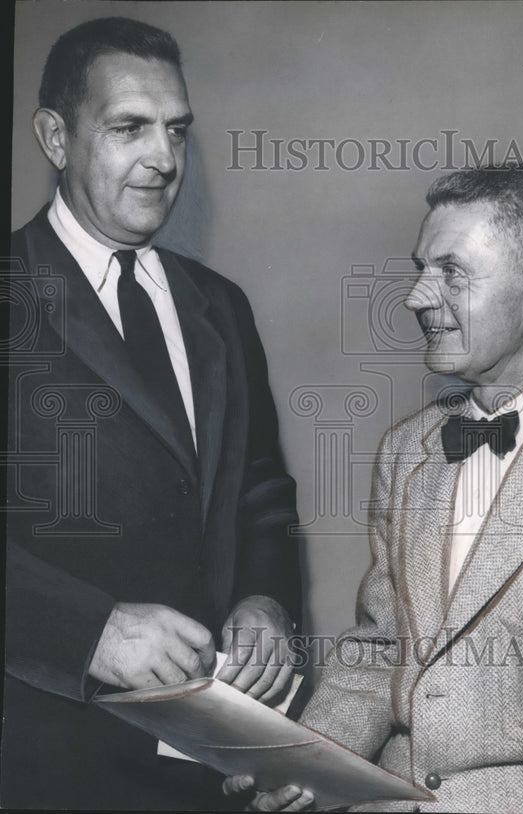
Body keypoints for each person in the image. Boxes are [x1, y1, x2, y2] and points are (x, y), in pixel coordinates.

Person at [225, 166, 523, 813]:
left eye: (452, 272)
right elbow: (381, 651)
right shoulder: (408, 450)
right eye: (421, 269)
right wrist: (303, 763)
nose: (417, 298)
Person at [2, 17, 301, 810]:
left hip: (213, 768)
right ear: (55, 137)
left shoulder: (221, 306)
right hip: (41, 768)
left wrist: (267, 601)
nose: (164, 159)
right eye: (129, 127)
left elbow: (263, 494)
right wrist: (89, 631)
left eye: (177, 130)